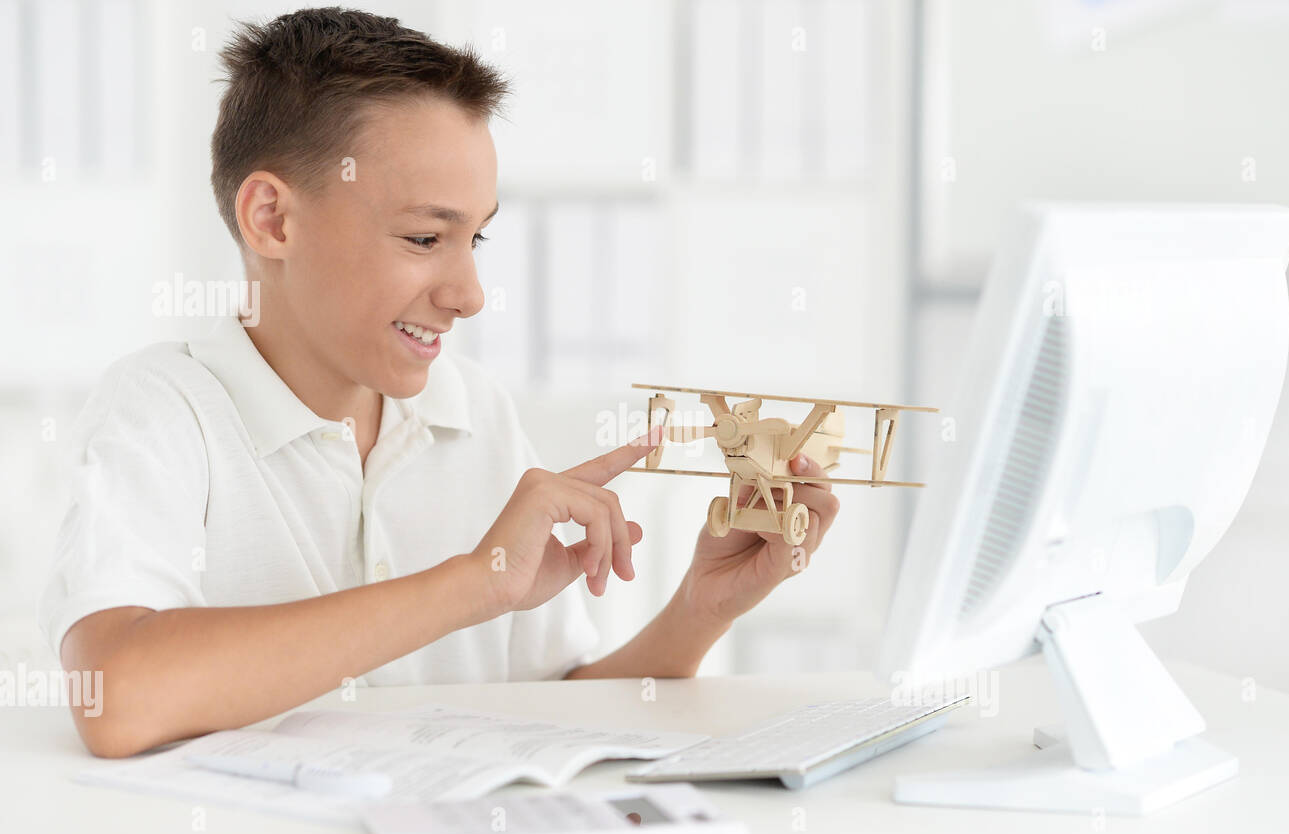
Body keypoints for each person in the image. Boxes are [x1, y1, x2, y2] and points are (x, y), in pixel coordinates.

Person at [39, 8, 840, 758]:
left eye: (475, 239)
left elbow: (560, 709)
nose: (470, 294)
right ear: (272, 220)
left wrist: (701, 608)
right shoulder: (163, 411)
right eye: (425, 238)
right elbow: (118, 697)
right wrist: (470, 584)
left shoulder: (474, 412)